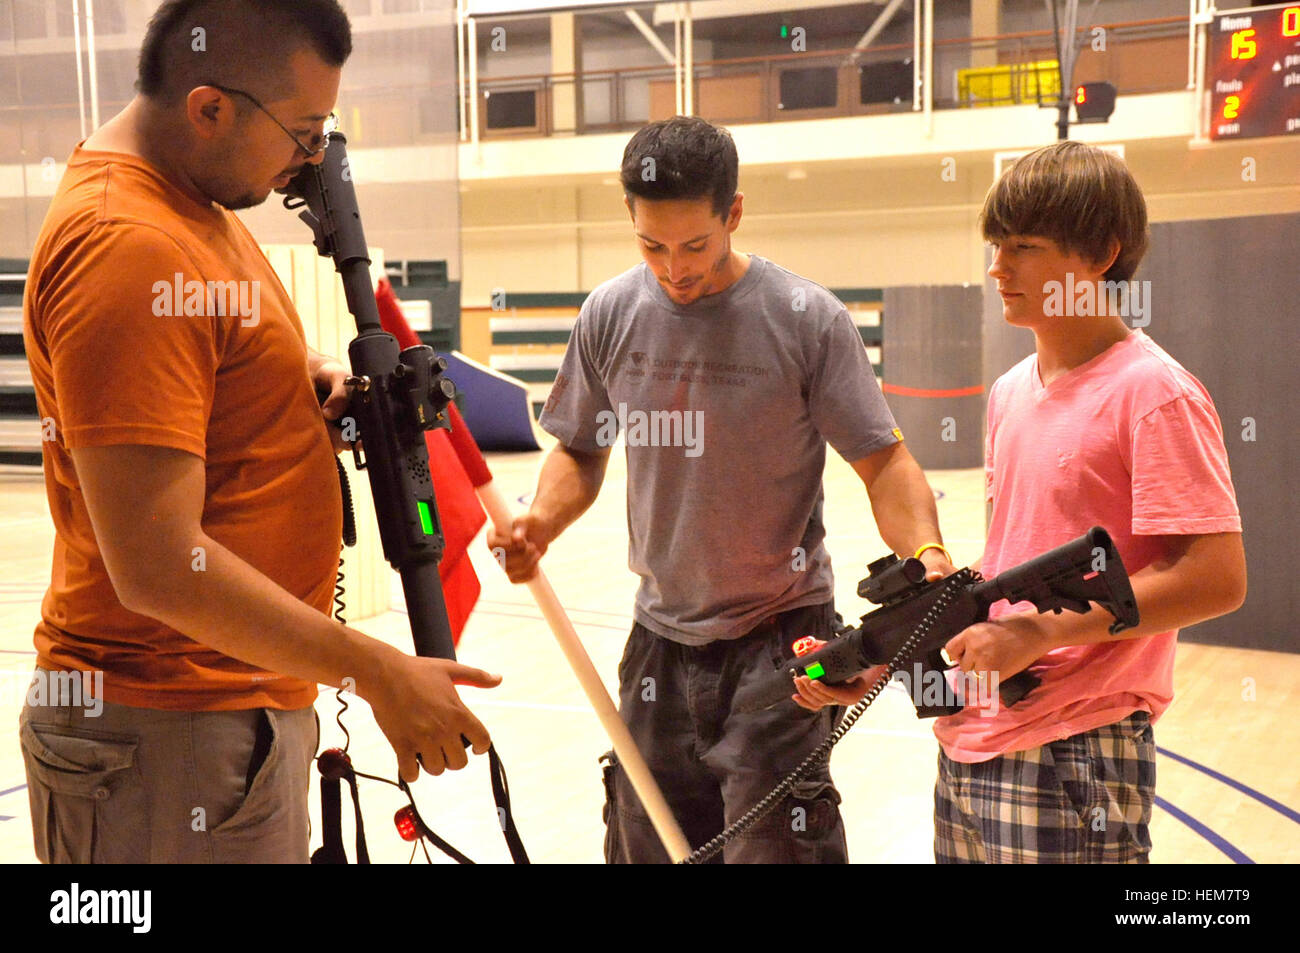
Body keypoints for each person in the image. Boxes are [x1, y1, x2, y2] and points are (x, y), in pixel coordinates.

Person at [19, 0, 499, 865]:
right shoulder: (129, 241)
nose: (312, 156)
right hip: (162, 739)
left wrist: (299, 387)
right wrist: (379, 671)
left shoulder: (189, 203)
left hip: (216, 722)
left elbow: (205, 367)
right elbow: (159, 566)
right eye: (304, 129)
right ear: (210, 108)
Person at [488, 116, 955, 863]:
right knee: (644, 845)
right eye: (651, 245)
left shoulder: (806, 320)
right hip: (657, 647)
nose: (673, 268)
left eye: (694, 244)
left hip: (779, 643)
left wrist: (927, 553)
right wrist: (540, 519)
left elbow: (884, 463)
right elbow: (580, 448)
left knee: (775, 849)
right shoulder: (610, 314)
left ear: (733, 214)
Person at [795, 141, 1246, 864]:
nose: (998, 267)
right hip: (973, 745)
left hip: (1078, 753)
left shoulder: (1153, 393)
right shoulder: (1010, 391)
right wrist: (880, 656)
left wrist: (1038, 636)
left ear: (1100, 253)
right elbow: (1006, 576)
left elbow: (1217, 577)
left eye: (1024, 247)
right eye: (995, 245)